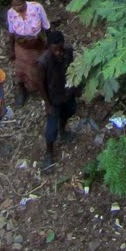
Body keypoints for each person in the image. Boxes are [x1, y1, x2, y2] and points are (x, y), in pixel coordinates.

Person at [38, 29, 76, 171]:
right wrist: (47, 104)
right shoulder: (43, 62)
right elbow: (40, 84)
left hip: (67, 91)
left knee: (70, 111)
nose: (58, 53)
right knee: (51, 128)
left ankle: (63, 130)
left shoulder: (68, 52)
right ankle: (49, 153)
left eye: (60, 49)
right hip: (53, 96)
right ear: (49, 47)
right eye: (55, 50)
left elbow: (73, 68)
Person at [6, 0, 50, 105]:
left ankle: (43, 89)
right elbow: (11, 32)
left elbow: (46, 26)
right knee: (20, 69)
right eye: (14, 5)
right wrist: (11, 49)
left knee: (38, 68)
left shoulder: (37, 8)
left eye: (20, 4)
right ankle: (22, 90)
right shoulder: (11, 13)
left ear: (25, 0)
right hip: (22, 47)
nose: (17, 8)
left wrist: (49, 44)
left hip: (37, 45)